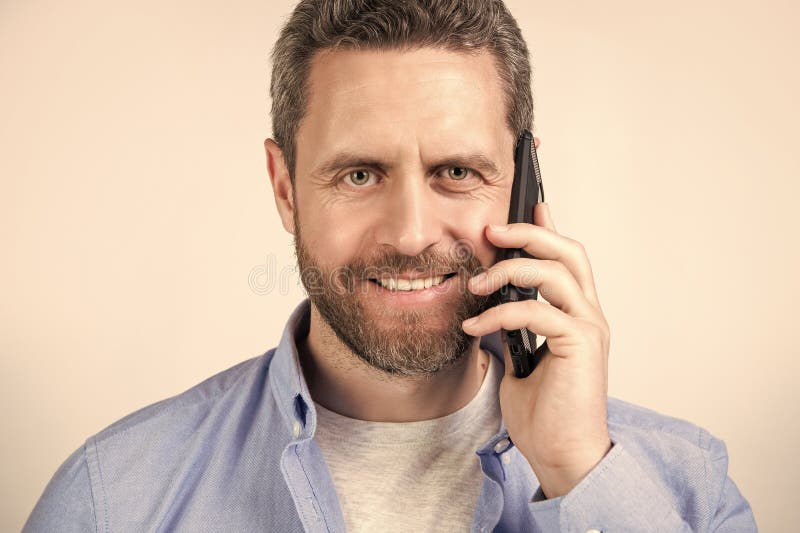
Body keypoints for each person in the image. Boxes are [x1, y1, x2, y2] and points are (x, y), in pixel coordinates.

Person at [24, 0, 757, 531]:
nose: (409, 234)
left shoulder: (682, 491)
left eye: (458, 172)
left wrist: (582, 470)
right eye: (359, 175)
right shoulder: (112, 499)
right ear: (285, 189)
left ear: (526, 184)